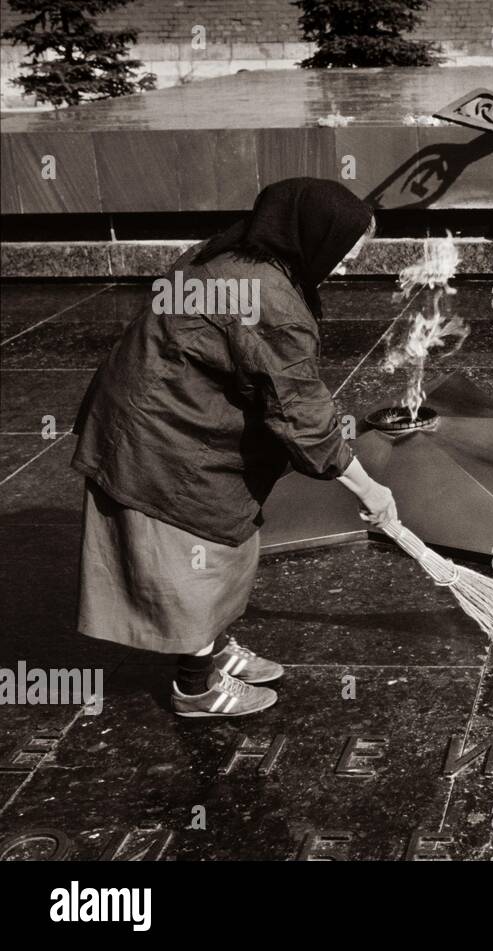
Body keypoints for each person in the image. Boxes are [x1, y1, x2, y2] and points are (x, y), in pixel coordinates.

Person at [72, 177, 397, 718]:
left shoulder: (226, 249)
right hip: (167, 442)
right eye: (344, 253)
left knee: (225, 546)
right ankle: (195, 688)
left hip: (158, 413)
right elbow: (303, 417)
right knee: (197, 558)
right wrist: (369, 488)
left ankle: (217, 649)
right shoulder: (269, 300)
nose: (343, 266)